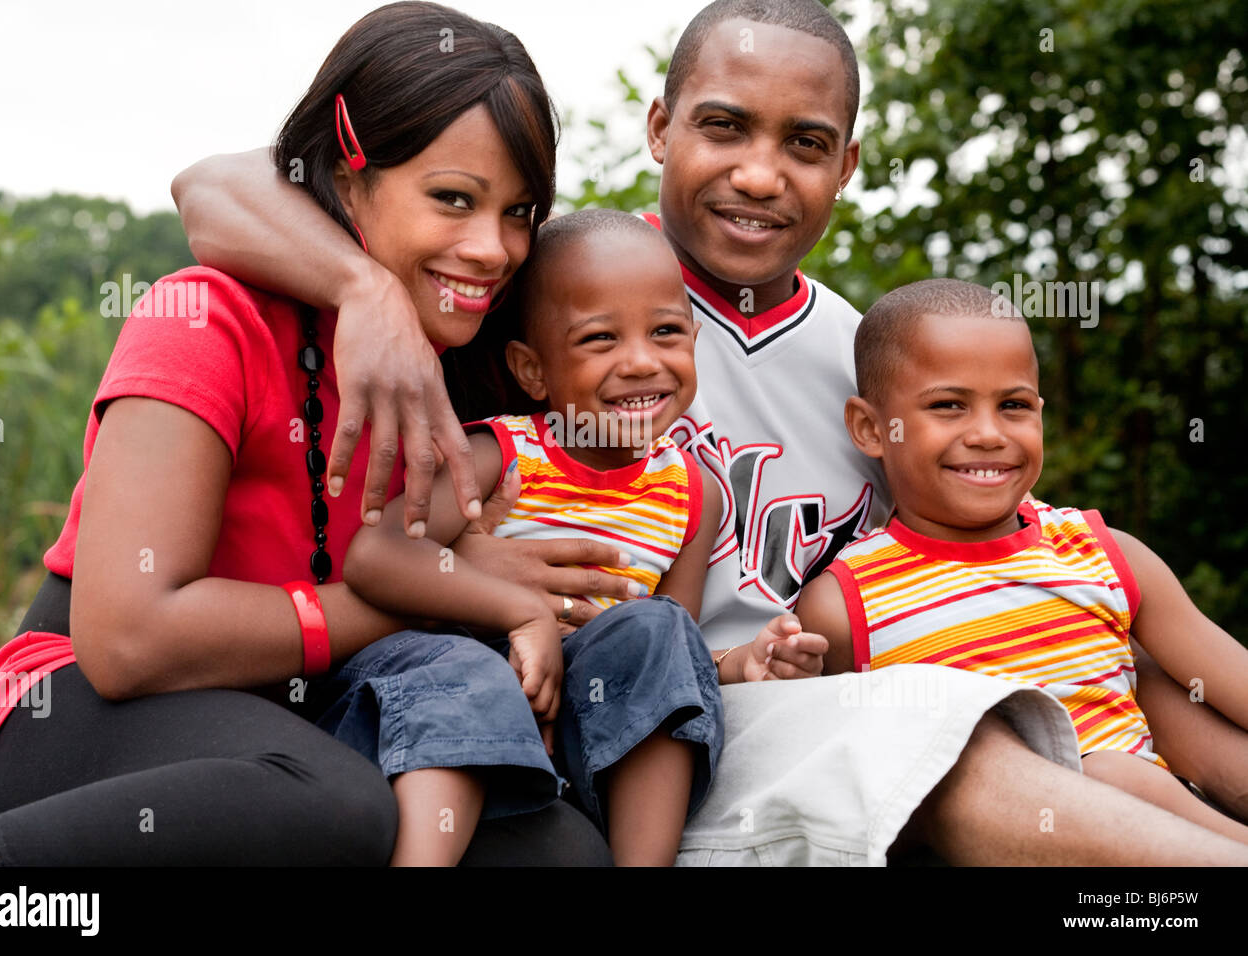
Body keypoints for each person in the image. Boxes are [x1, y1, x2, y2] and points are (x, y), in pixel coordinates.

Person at [168, 0, 1248, 865]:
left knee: (1112, 657)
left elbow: (981, 563)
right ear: (658, 128)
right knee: (927, 736)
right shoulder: (554, 284)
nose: (759, 173)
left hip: (787, 690)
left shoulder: (872, 358)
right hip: (630, 706)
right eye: (724, 125)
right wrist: (361, 286)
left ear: (848, 166)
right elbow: (212, 187)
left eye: (805, 143)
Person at [0, 2, 617, 867]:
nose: (492, 248)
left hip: (308, 716)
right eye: (451, 199)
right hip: (78, 712)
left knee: (557, 853)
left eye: (519, 213)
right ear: (347, 178)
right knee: (332, 804)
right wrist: (432, 589)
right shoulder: (208, 317)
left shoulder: (480, 363)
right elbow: (127, 642)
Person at [327, 209, 730, 865]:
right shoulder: (502, 453)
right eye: (600, 340)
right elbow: (377, 556)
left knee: (658, 629)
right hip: (461, 690)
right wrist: (520, 612)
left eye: (666, 332)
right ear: (533, 371)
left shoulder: (694, 491)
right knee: (466, 671)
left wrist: (738, 664)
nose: (640, 362)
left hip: (589, 723)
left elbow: (670, 655)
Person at [788, 277, 1248, 845]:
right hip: (1006, 844)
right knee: (1104, 773)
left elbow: (1232, 684)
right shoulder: (842, 601)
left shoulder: (1104, 552)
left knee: (1121, 770)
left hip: (1158, 838)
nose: (987, 434)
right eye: (948, 406)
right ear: (870, 428)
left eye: (1014, 406)